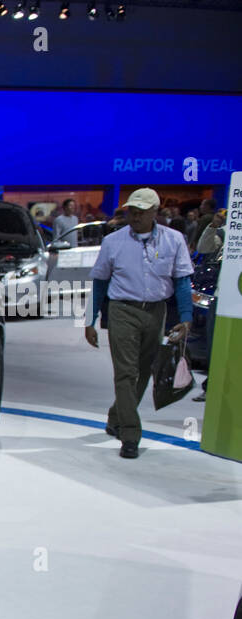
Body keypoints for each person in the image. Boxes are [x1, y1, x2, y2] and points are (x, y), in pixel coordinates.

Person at [83, 187, 194, 459]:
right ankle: (130, 434)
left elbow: (181, 282)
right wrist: (90, 319)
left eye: (141, 212)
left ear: (155, 213)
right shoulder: (114, 241)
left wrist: (186, 317)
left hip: (156, 312)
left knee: (143, 372)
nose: (135, 216)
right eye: (132, 211)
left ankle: (115, 415)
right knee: (125, 372)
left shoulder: (174, 240)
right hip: (123, 310)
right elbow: (99, 283)